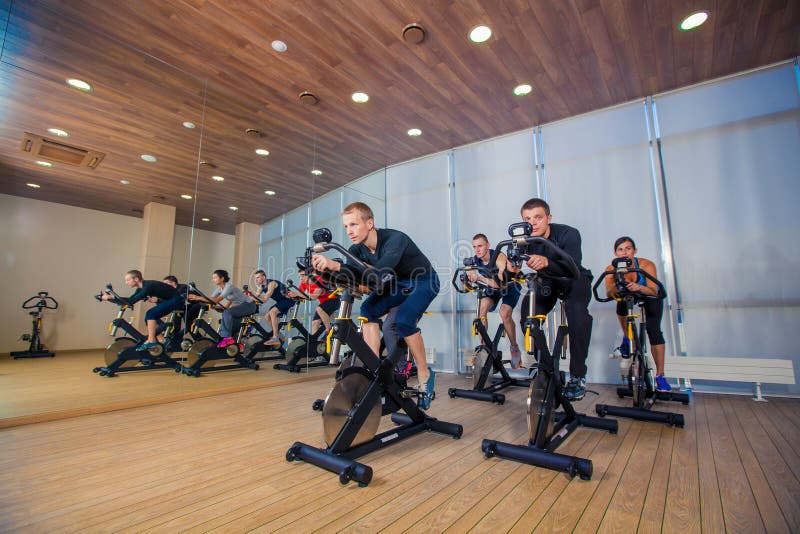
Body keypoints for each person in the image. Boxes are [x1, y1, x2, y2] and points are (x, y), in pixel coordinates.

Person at [311, 202, 440, 409]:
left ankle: (425, 374)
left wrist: (337, 265)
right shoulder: (356, 250)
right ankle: (374, 369)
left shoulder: (395, 239)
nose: (349, 231)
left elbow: (379, 273)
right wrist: (325, 272)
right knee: (368, 310)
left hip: (425, 281)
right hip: (399, 283)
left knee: (405, 320)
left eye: (353, 224)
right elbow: (357, 278)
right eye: (346, 227)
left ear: (369, 223)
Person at [507, 198, 594, 401]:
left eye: (538, 217)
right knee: (528, 315)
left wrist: (546, 261)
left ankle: (578, 376)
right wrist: (510, 269)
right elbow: (511, 273)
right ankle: (545, 366)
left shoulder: (568, 234)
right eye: (528, 219)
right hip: (547, 283)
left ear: (549, 218)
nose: (533, 223)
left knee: (577, 316)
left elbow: (572, 266)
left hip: (573, 278)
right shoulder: (524, 240)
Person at [604, 236, 670, 392]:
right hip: (628, 295)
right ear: (615, 253)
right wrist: (618, 284)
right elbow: (608, 293)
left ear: (634, 251)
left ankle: (660, 376)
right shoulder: (611, 269)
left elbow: (654, 290)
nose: (624, 252)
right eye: (620, 249)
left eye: (628, 249)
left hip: (649, 295)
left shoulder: (646, 265)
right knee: (621, 304)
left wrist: (638, 287)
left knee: (654, 331)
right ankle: (627, 337)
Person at [469, 233, 522, 368]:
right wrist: (468, 279)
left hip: (509, 285)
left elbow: (500, 284)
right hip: (492, 287)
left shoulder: (499, 257)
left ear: (488, 245)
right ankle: (483, 348)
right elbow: (467, 281)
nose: (477, 250)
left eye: (480, 246)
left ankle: (514, 347)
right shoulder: (475, 260)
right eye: (474, 247)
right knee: (482, 308)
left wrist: (479, 278)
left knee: (504, 313)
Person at [100, 269, 182, 351]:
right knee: (148, 318)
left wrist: (112, 297)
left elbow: (131, 301)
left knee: (150, 314)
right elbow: (129, 301)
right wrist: (110, 299)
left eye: (128, 280)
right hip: (171, 300)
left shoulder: (147, 286)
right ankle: (163, 341)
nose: (126, 282)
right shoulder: (140, 289)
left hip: (176, 300)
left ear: (136, 279)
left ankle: (151, 341)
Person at [188, 269, 257, 348]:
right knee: (230, 320)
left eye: (215, 278)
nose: (212, 280)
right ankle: (231, 343)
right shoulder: (219, 289)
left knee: (227, 313)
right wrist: (212, 306)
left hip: (249, 305)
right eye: (212, 278)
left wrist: (197, 297)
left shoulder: (229, 287)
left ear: (222, 278)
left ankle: (227, 338)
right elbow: (211, 300)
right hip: (239, 307)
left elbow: (216, 300)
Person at [251, 270, 296, 345]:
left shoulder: (272, 283)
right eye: (255, 278)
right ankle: (280, 335)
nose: (256, 280)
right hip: (281, 301)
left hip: (289, 299)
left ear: (264, 277)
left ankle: (275, 337)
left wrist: (254, 298)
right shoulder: (261, 287)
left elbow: (265, 299)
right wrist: (247, 298)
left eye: (258, 277)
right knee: (266, 317)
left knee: (272, 312)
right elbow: (256, 296)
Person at [162, 275, 202, 339]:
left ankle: (197, 338)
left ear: (173, 283)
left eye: (166, 284)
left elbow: (179, 295)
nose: (164, 286)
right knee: (177, 315)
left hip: (199, 304)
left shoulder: (182, 287)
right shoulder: (173, 291)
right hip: (190, 305)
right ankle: (175, 335)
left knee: (187, 319)